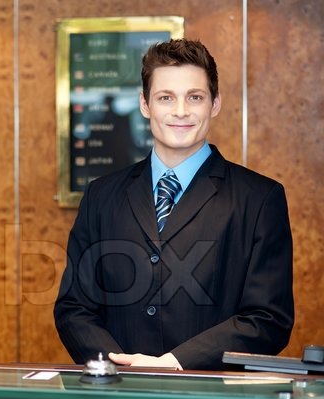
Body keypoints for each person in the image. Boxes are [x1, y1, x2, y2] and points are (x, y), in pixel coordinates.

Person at [53, 39, 293, 371]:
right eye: (166, 98)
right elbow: (74, 308)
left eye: (195, 97)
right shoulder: (101, 196)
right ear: (145, 104)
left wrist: (175, 362)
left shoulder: (259, 199)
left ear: (215, 103)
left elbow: (268, 319)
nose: (180, 111)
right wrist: (122, 367)